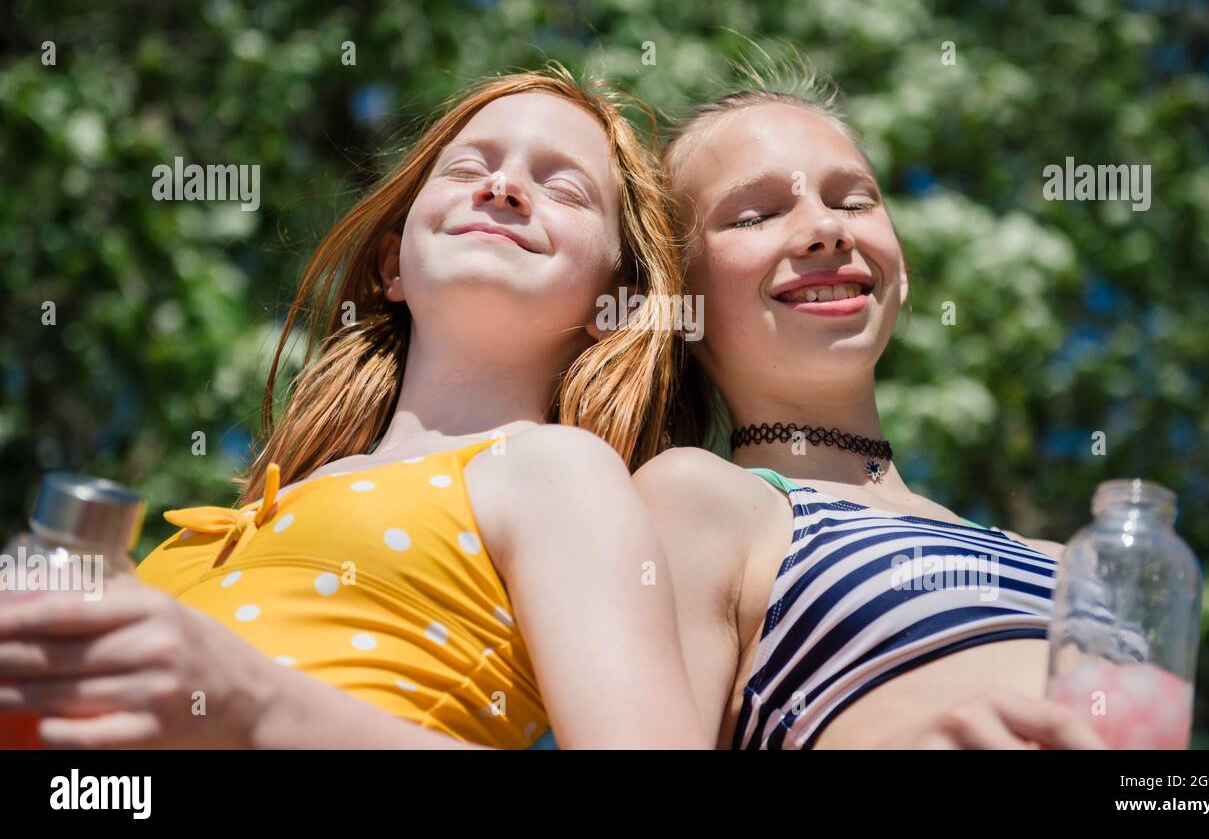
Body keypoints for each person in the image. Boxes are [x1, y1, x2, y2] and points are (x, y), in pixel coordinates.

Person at [0, 65, 707, 750]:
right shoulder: (262, 504)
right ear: (392, 265)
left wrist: (251, 703)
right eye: (465, 169)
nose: (504, 186)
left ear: (619, 306)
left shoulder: (556, 470)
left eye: (565, 187)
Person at [633, 59, 1106, 750]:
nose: (828, 229)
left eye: (854, 201)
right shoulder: (702, 504)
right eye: (756, 214)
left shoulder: (1069, 565)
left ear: (903, 270)